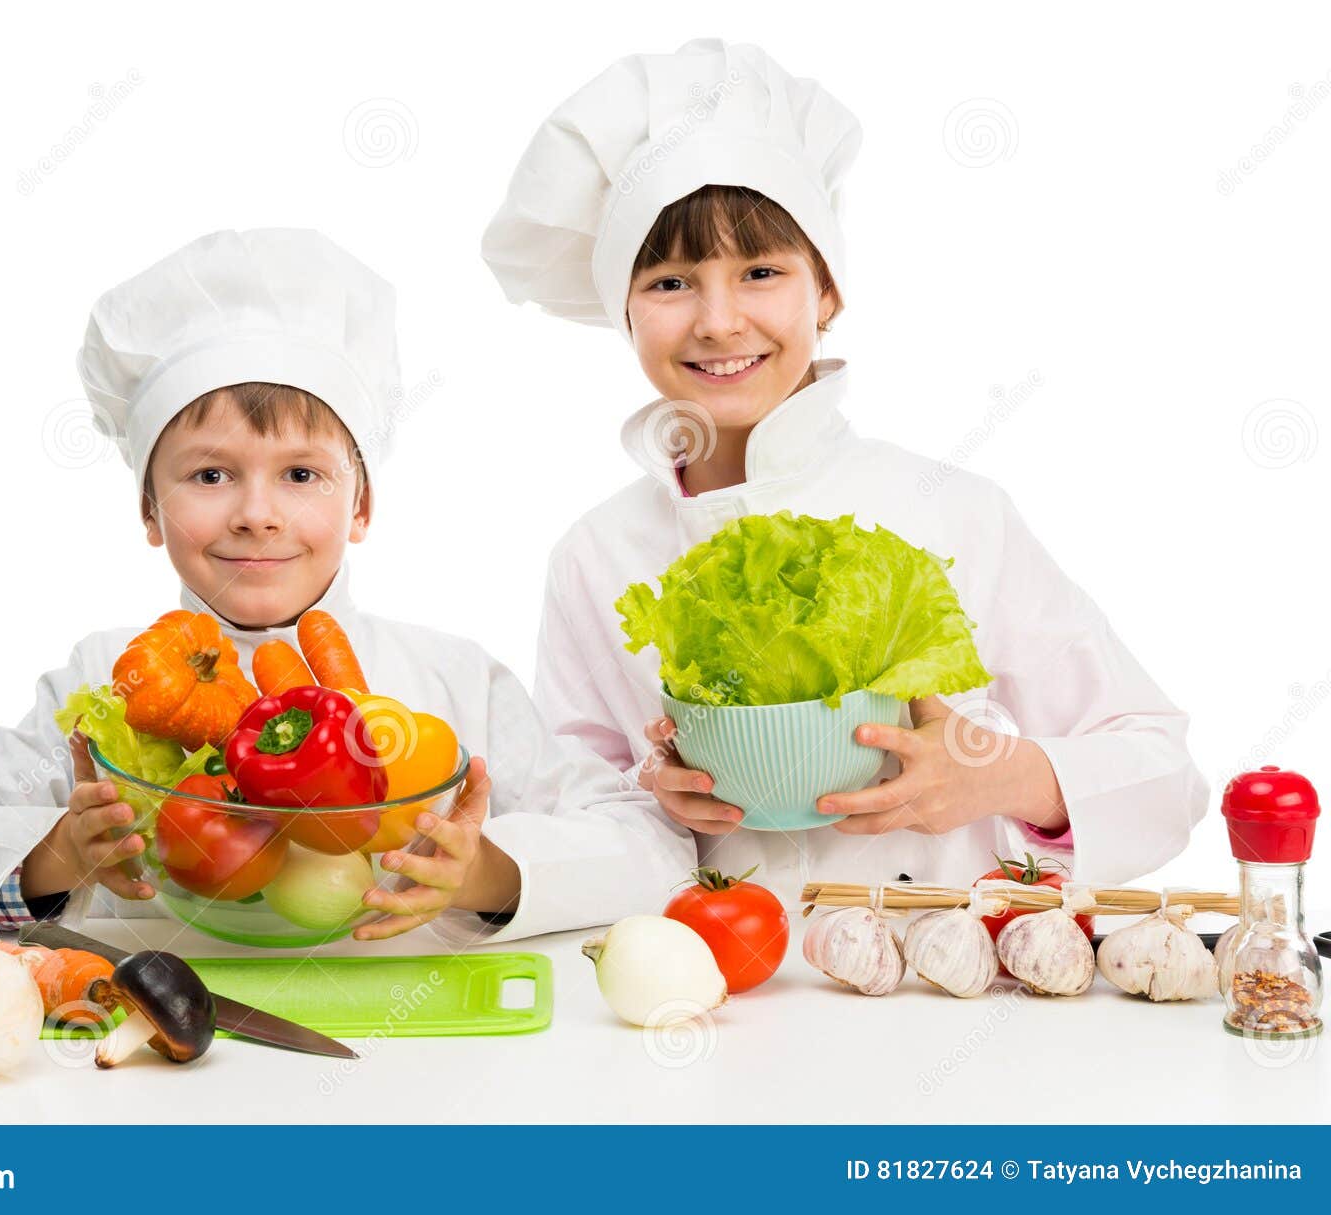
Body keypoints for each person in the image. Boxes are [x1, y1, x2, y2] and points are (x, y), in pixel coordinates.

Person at [480, 39, 1207, 902]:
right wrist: (652, 791)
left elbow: (1166, 773)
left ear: (826, 293)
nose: (719, 322)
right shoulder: (594, 554)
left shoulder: (954, 512)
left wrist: (994, 774)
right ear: (623, 311)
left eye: (760, 272)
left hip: (938, 987)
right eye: (671, 282)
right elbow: (579, 803)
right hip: (715, 996)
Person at [0, 228, 694, 945]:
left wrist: (488, 874)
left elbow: (647, 839)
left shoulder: (454, 680)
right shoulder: (102, 684)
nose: (257, 514)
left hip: (416, 1058)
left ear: (362, 503)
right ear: (150, 507)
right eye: (210, 474)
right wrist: (54, 854)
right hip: (163, 1056)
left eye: (301, 473)